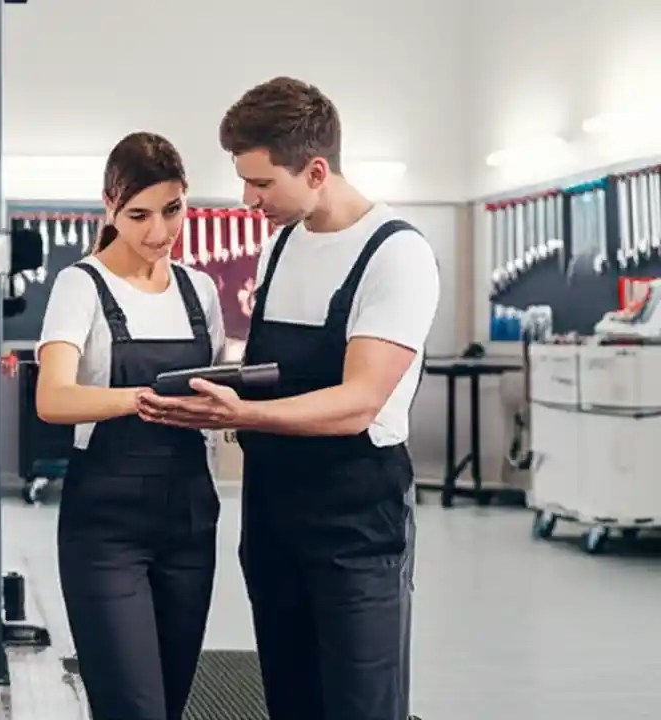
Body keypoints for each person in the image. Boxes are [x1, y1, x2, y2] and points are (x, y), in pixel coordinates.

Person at [137, 76, 440, 720]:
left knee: (361, 703)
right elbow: (274, 369)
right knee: (290, 698)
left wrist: (242, 414)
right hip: (273, 513)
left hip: (355, 521)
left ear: (316, 170)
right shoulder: (280, 247)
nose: (248, 199)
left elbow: (359, 401)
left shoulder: (395, 255)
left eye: (262, 183)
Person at [35, 131, 226, 720]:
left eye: (173, 210)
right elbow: (53, 398)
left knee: (169, 703)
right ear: (110, 206)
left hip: (191, 518)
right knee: (133, 709)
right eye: (139, 215)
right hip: (107, 527)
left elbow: (216, 392)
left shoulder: (200, 291)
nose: (159, 231)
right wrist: (141, 400)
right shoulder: (81, 285)